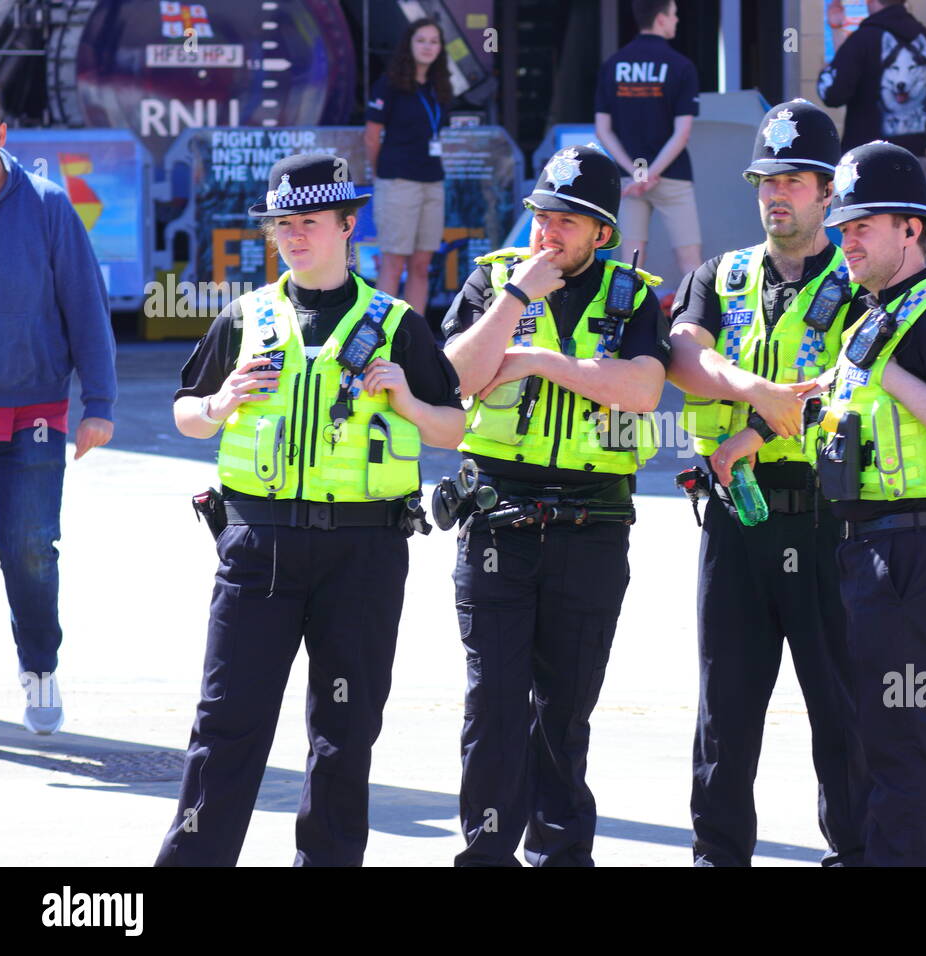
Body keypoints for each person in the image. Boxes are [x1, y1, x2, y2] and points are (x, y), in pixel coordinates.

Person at [155, 153, 465, 866]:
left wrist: (409, 401)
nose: (293, 235)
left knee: (344, 732)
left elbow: (454, 428)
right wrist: (220, 402)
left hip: (361, 555)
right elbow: (186, 414)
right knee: (227, 725)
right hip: (257, 548)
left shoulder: (396, 325)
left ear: (347, 225)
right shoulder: (247, 316)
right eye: (283, 224)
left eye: (309, 222)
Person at [441, 144, 669, 866]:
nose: (551, 231)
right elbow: (457, 380)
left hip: (592, 522)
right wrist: (518, 300)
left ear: (603, 232)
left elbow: (643, 390)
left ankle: (563, 855)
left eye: (571, 221)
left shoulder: (631, 296)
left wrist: (541, 361)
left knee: (564, 713)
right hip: (497, 519)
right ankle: (485, 854)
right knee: (494, 706)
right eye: (544, 214)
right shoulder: (493, 282)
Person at [668, 98, 869, 867]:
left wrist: (758, 425)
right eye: (765, 180)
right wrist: (755, 392)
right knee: (726, 712)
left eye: (794, 180)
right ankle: (718, 858)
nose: (776, 194)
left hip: (826, 523)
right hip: (735, 521)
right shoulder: (721, 274)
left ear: (827, 191)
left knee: (842, 710)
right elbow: (685, 356)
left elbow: (844, 383)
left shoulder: (857, 280)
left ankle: (856, 853)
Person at [813, 140, 926, 865]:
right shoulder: (873, 315)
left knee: (902, 740)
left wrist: (889, 377)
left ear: (910, 229)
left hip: (913, 550)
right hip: (878, 546)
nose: (846, 239)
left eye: (864, 225)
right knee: (922, 731)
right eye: (843, 227)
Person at [0, 87, 117, 736]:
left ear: (1, 133)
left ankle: (38, 665)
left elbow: (86, 307)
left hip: (34, 411)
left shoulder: (48, 206)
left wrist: (100, 403)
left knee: (31, 549)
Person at [594, 0, 703, 277]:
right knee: (690, 261)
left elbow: (603, 129)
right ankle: (696, 319)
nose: (677, 20)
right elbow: (683, 133)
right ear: (661, 19)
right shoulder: (681, 66)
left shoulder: (613, 64)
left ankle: (624, 320)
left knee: (630, 264)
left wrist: (638, 173)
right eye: (674, 15)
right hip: (672, 176)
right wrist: (650, 174)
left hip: (629, 179)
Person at [365, 17, 452, 319]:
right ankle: (382, 334)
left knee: (421, 265)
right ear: (409, 45)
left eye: (434, 41)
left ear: (440, 48)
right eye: (421, 40)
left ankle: (415, 336)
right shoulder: (389, 84)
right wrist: (382, 176)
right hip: (398, 182)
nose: (428, 47)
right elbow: (372, 137)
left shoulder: (440, 87)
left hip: (432, 182)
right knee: (394, 262)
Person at [816, 0, 926, 168]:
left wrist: (825, 72)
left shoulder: (863, 38)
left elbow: (833, 94)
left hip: (865, 164)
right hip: (913, 163)